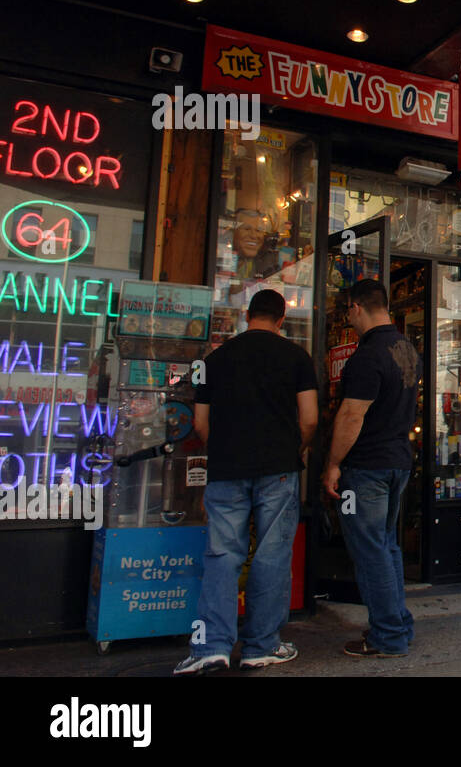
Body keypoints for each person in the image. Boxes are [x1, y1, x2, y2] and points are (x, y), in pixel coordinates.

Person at [175, 289, 318, 675]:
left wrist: (224, 450)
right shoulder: (297, 357)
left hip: (226, 470)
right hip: (277, 468)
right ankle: (261, 645)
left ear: (246, 316)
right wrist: (296, 450)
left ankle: (211, 648)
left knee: (222, 555)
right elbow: (310, 419)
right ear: (281, 319)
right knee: (272, 555)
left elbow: (200, 424)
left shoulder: (215, 360)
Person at [321, 279, 422, 656]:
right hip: (396, 462)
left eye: (347, 311)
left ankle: (388, 636)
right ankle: (398, 625)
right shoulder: (407, 349)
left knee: (370, 552)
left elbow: (352, 414)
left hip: (367, 467)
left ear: (357, 307)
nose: (348, 318)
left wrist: (332, 464)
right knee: (386, 547)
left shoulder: (368, 355)